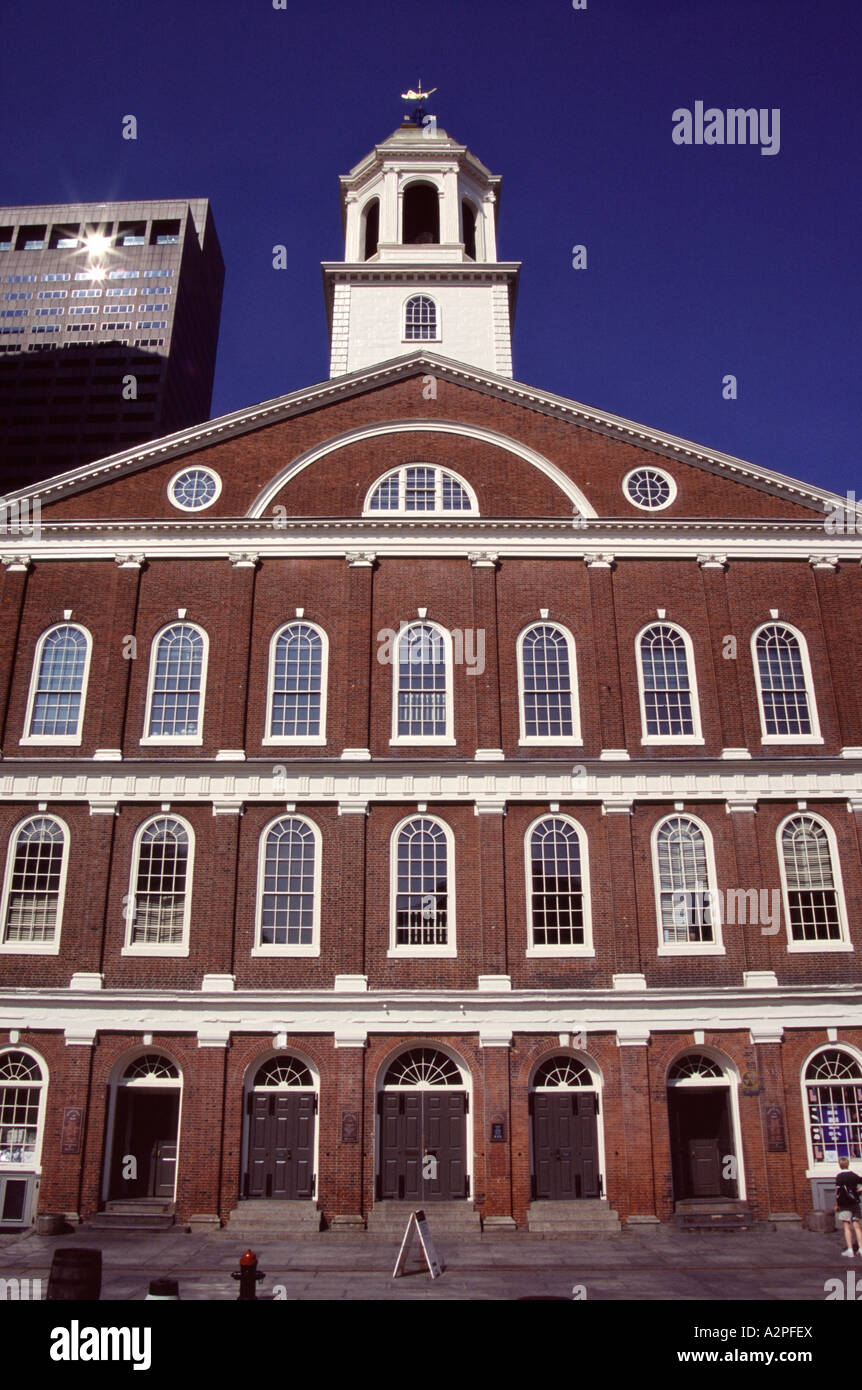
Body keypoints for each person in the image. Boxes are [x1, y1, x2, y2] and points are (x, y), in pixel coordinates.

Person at [834, 1157, 862, 1256]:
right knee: (857, 1226)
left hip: (844, 1204)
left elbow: (837, 1192)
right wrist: (858, 1191)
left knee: (846, 1226)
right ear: (848, 1164)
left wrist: (836, 1204)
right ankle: (861, 1248)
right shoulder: (854, 1175)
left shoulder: (839, 1176)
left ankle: (850, 1250)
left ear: (840, 1165)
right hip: (854, 1202)